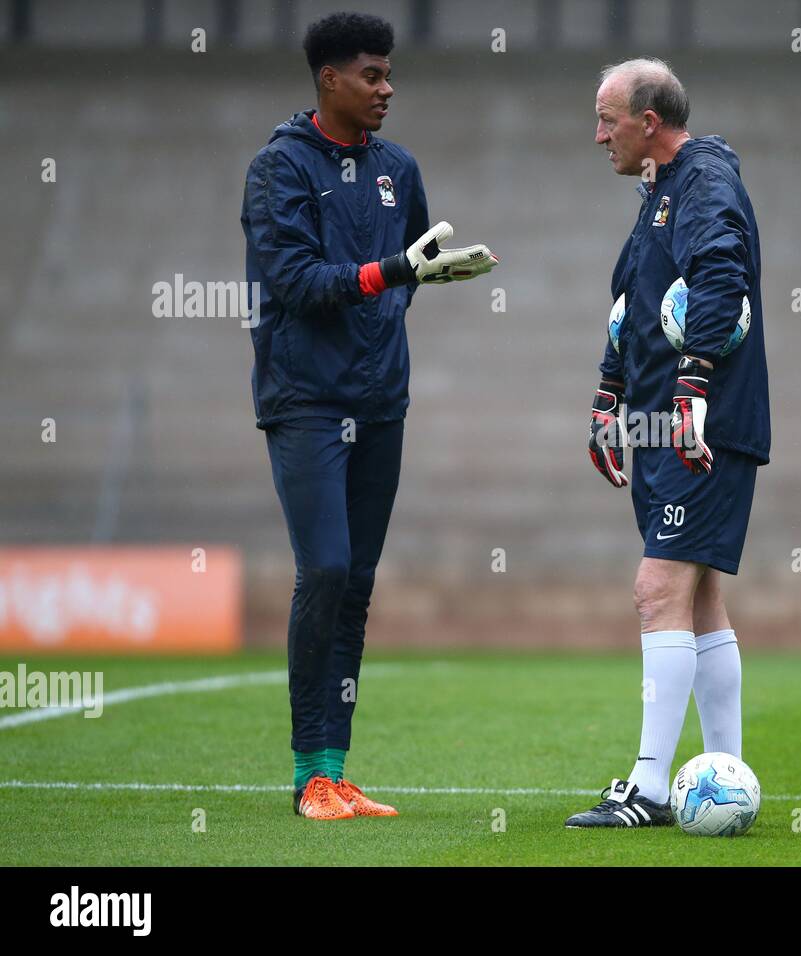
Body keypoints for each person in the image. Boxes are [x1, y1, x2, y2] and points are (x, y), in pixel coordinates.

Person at [241, 11, 497, 820]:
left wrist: (415, 278)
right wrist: (390, 273)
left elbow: (412, 267)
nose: (388, 89)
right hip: (306, 400)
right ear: (330, 80)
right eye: (372, 76)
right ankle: (306, 777)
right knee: (323, 569)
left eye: (389, 75)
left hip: (381, 398)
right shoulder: (279, 167)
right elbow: (295, 282)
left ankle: (335, 769)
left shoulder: (398, 168)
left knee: (354, 584)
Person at [567, 58, 770, 827]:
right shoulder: (660, 192)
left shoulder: (704, 181)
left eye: (607, 120)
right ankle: (729, 776)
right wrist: (608, 394)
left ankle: (649, 790)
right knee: (698, 597)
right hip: (662, 427)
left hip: (697, 428)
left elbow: (721, 276)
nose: (598, 136)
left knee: (657, 590)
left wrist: (691, 390)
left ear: (648, 122)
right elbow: (631, 304)